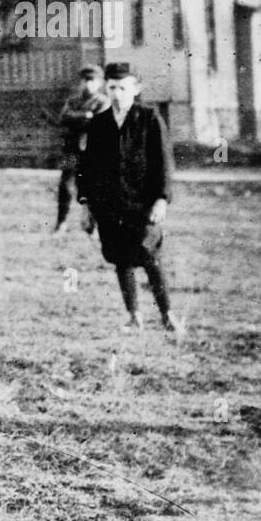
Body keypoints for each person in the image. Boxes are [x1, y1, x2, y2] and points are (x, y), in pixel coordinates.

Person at [77, 62, 179, 332]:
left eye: (123, 88)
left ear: (136, 89)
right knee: (121, 258)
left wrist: (162, 199)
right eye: (112, 87)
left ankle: (167, 315)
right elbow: (87, 168)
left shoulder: (149, 117)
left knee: (149, 255)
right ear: (106, 88)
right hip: (109, 206)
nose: (117, 94)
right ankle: (134, 316)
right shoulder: (99, 123)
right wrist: (86, 205)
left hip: (143, 203)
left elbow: (164, 162)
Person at [54, 65, 110, 233]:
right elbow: (63, 117)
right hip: (72, 149)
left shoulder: (103, 101)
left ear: (100, 83)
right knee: (66, 186)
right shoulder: (73, 100)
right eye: (85, 80)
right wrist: (85, 116)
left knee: (92, 188)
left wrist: (79, 119)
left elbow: (99, 123)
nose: (88, 84)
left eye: (92, 81)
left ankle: (91, 226)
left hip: (93, 151)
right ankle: (61, 223)